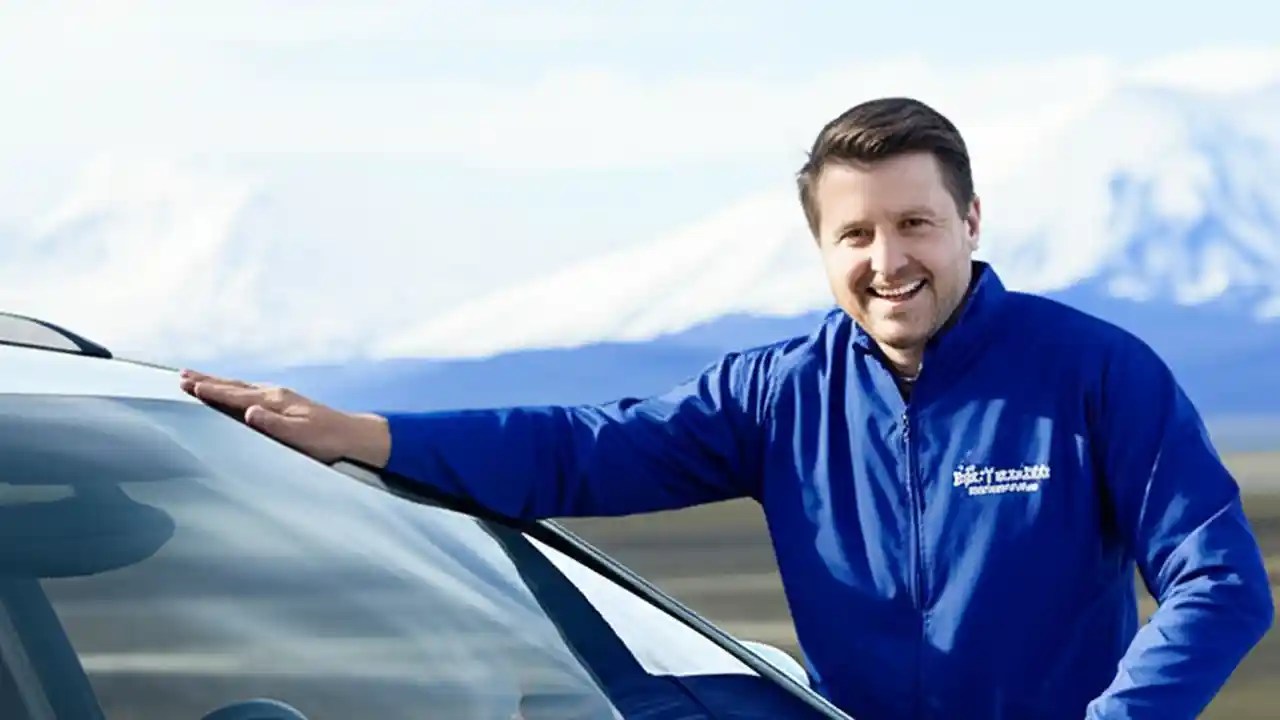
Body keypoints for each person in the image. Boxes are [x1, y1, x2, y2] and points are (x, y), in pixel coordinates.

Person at [179, 97, 1273, 719]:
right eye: (855, 234)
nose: (887, 260)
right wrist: (364, 437)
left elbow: (1220, 581)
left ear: (970, 221)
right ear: (820, 247)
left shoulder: (1091, 373)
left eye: (915, 224)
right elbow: (582, 452)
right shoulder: (779, 394)